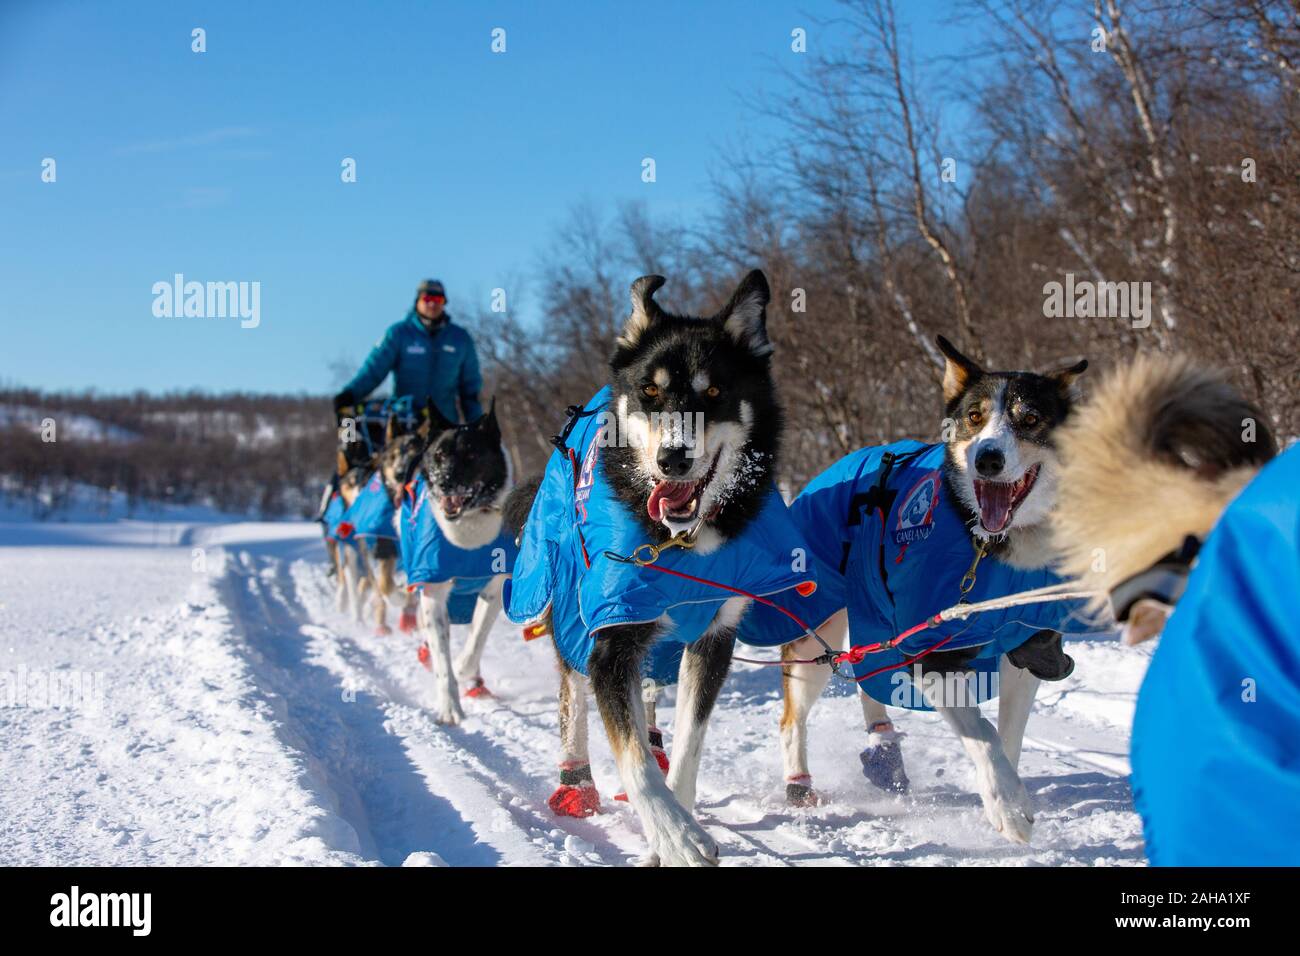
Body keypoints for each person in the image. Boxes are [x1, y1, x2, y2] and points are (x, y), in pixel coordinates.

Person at [333, 279, 483, 423]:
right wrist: (350, 395)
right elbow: (374, 370)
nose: (432, 303)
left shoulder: (460, 339)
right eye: (427, 298)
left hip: (445, 424)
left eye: (438, 300)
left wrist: (477, 423)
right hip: (406, 421)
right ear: (417, 301)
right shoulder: (399, 334)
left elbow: (470, 390)